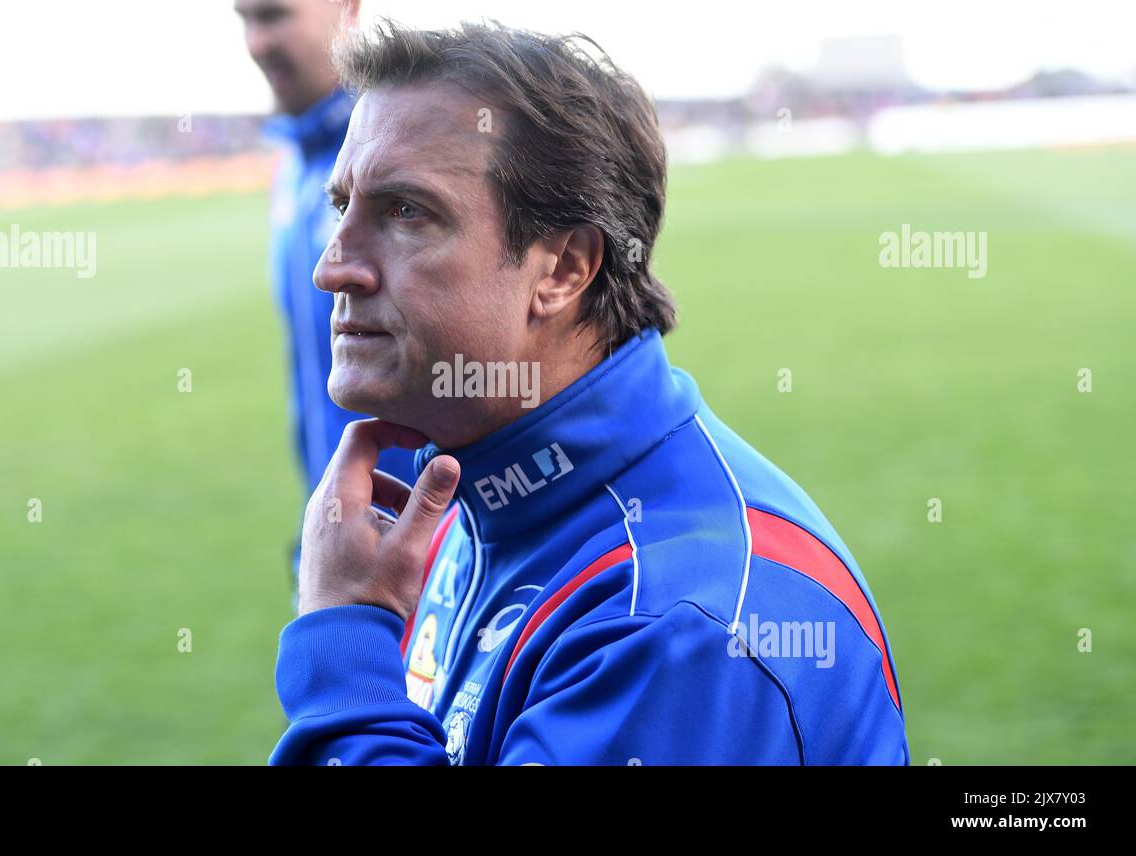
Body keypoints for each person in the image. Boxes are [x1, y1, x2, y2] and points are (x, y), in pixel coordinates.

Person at [270, 21, 909, 765]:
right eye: (340, 206)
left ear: (565, 269)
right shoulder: (461, 506)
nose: (334, 267)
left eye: (406, 213)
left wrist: (344, 641)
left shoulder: (680, 624)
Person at [235, 0, 413, 576]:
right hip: (338, 537)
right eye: (245, 19)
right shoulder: (294, 162)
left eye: (274, 15)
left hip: (417, 549)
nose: (258, 42)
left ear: (347, 8)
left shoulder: (408, 147)